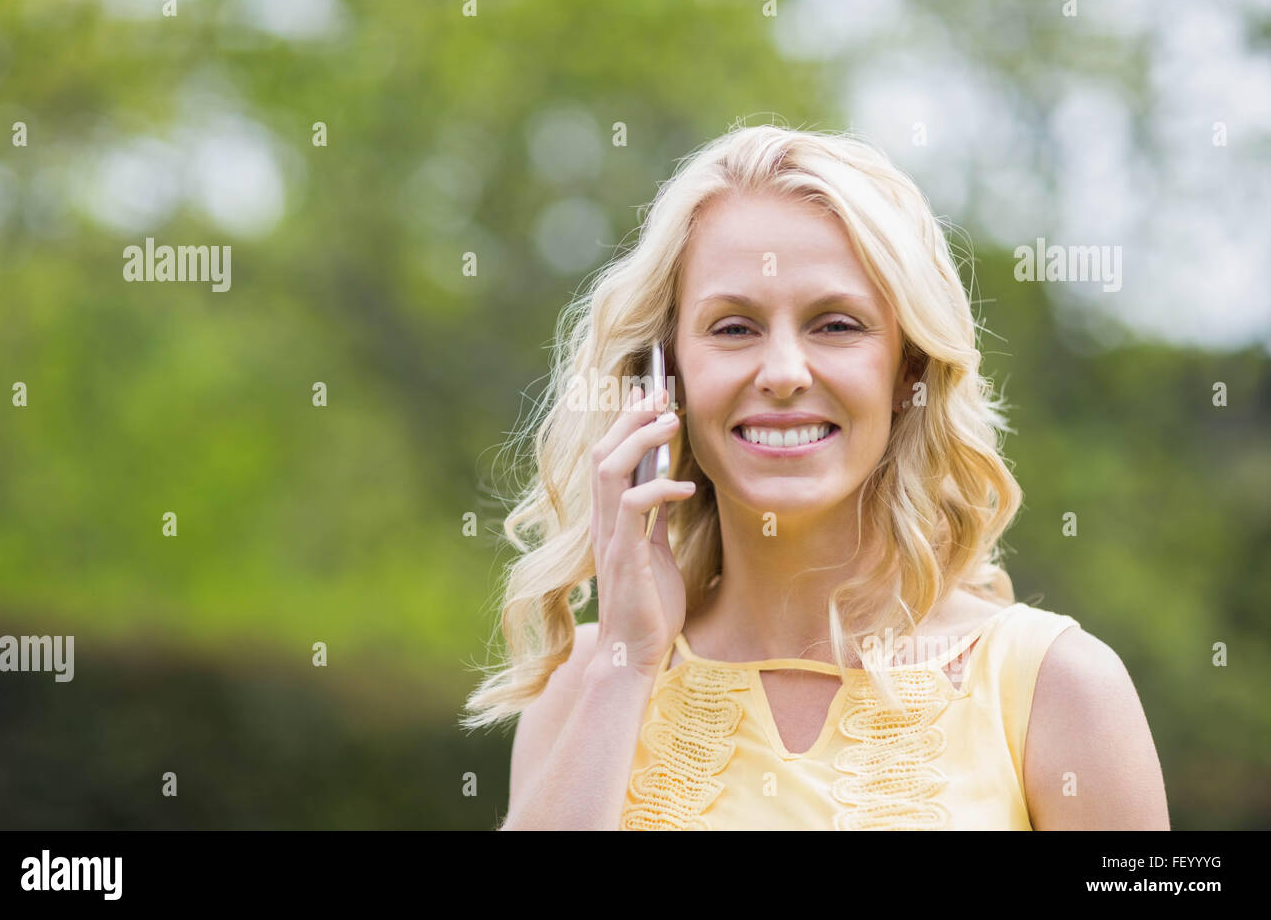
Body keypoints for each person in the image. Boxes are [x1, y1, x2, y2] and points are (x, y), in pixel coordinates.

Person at [464, 123, 1169, 830]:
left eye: (835, 325)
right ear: (666, 375)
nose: (782, 374)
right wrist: (626, 666)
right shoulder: (584, 682)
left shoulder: (1060, 688)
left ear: (909, 370)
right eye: (734, 327)